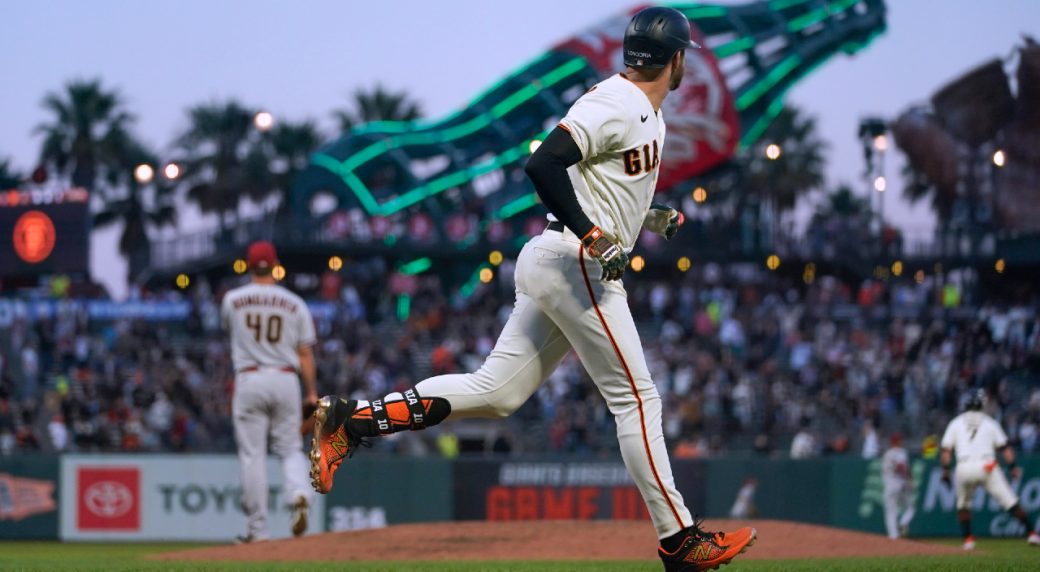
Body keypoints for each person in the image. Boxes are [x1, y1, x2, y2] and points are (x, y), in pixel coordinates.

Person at [308, 7, 755, 571]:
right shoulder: (616, 102)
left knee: (496, 393)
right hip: (575, 264)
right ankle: (679, 540)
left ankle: (354, 421)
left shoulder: (646, 111)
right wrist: (594, 235)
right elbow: (542, 165)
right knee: (637, 400)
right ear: (679, 59)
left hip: (558, 261)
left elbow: (603, 184)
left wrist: (651, 216)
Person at [222, 241, 317, 542]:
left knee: (253, 456)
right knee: (289, 448)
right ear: (275, 264)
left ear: (249, 265)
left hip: (250, 378)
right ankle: (300, 493)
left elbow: (230, 332)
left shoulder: (232, 299)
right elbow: (305, 354)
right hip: (286, 379)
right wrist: (311, 392)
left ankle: (257, 530)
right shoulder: (295, 303)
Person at [940, 389, 1040, 550]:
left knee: (963, 505)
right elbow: (1005, 448)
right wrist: (1013, 467)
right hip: (987, 466)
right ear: (982, 406)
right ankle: (1032, 533)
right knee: (1010, 501)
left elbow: (946, 451)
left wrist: (945, 470)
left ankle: (968, 540)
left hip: (963, 466)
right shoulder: (990, 422)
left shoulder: (956, 422)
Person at [880, 433, 914, 539]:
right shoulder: (900, 452)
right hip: (900, 484)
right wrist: (909, 479)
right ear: (898, 442)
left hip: (890, 485)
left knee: (890, 511)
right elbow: (902, 466)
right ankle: (903, 522)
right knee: (910, 508)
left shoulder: (887, 453)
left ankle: (893, 535)